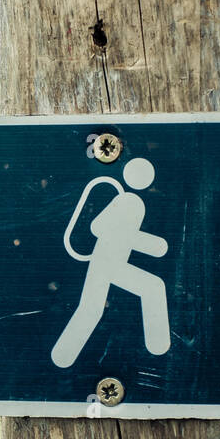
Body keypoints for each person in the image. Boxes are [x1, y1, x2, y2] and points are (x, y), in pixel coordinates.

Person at [51, 157, 171, 368]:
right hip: (104, 262)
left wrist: (149, 244)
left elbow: (106, 230)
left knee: (150, 288)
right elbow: (97, 227)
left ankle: (158, 346)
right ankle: (63, 357)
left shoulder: (137, 204)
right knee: (92, 308)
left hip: (115, 264)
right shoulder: (126, 201)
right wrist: (151, 244)